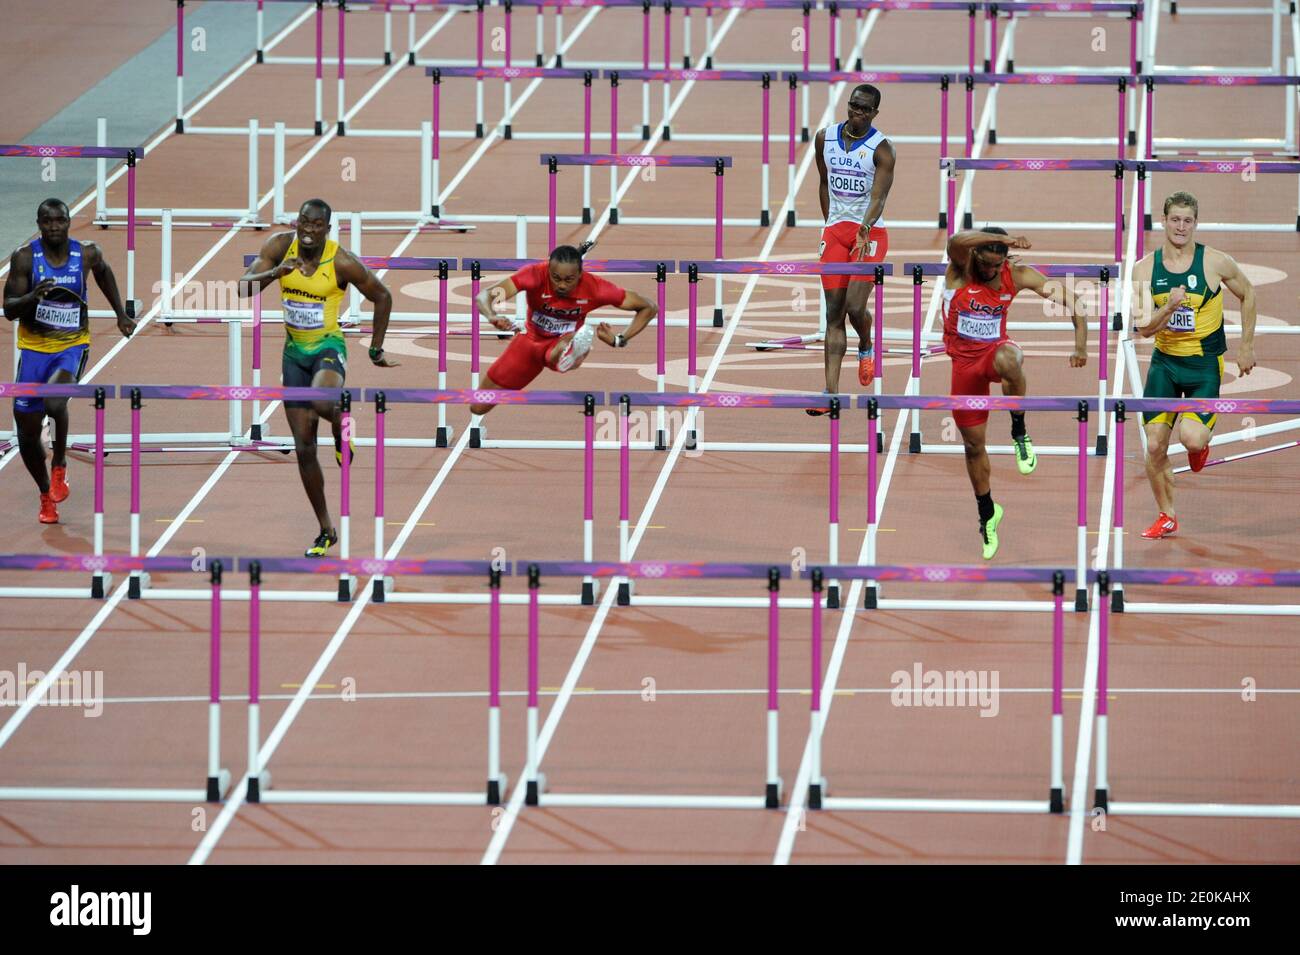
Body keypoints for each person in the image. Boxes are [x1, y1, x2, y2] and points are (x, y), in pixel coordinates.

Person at [240, 199, 398, 558]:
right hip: (294, 353)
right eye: (303, 223)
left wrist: (375, 350)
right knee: (304, 448)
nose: (308, 231)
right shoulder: (279, 247)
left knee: (320, 399)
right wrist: (275, 273)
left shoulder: (340, 261)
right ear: (297, 222)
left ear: (327, 229)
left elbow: (382, 296)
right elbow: (243, 287)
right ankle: (326, 529)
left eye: (316, 225)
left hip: (328, 347)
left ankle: (343, 424)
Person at [943, 227, 1089, 559]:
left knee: (1012, 358)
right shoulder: (960, 268)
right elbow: (955, 241)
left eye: (999, 265)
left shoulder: (1017, 274)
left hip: (993, 354)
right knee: (972, 445)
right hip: (964, 366)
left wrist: (1080, 344)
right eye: (988, 264)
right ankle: (987, 512)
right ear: (977, 254)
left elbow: (1075, 301)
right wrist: (1002, 242)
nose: (993, 272)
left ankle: (1019, 429)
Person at [1131, 191, 1256, 540]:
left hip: (1203, 366)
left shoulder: (1214, 262)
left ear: (1195, 223)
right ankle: (1167, 514)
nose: (1181, 226)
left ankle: (1200, 446)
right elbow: (1143, 328)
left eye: (1187, 220)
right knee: (1154, 446)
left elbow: (1248, 293)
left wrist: (1246, 345)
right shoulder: (1144, 268)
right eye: (1175, 219)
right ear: (1164, 221)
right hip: (1165, 364)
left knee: (1191, 437)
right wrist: (1168, 308)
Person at [4, 198, 135, 524]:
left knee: (54, 400)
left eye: (59, 220)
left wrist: (121, 314)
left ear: (68, 221)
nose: (54, 227)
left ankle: (59, 463)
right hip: (33, 351)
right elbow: (8, 308)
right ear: (38, 224)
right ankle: (46, 492)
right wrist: (32, 297)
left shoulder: (86, 253)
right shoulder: (25, 258)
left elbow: (104, 274)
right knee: (26, 432)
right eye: (47, 222)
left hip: (71, 346)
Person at [468, 241, 658, 420]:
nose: (562, 285)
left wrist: (619, 339)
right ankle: (571, 352)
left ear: (580, 275)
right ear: (548, 269)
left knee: (556, 354)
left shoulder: (597, 289)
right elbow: (485, 296)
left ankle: (574, 351)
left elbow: (648, 307)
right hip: (529, 342)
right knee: (478, 406)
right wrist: (492, 316)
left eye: (569, 280)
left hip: (561, 340)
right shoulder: (534, 275)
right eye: (556, 278)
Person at [807, 83, 896, 415]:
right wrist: (830, 224)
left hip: (869, 236)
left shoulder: (882, 149)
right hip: (835, 233)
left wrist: (864, 227)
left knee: (855, 307)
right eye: (853, 106)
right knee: (833, 313)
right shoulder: (824, 138)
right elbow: (822, 181)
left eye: (864, 110)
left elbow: (880, 197)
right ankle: (830, 394)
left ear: (874, 113)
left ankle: (866, 344)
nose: (857, 113)